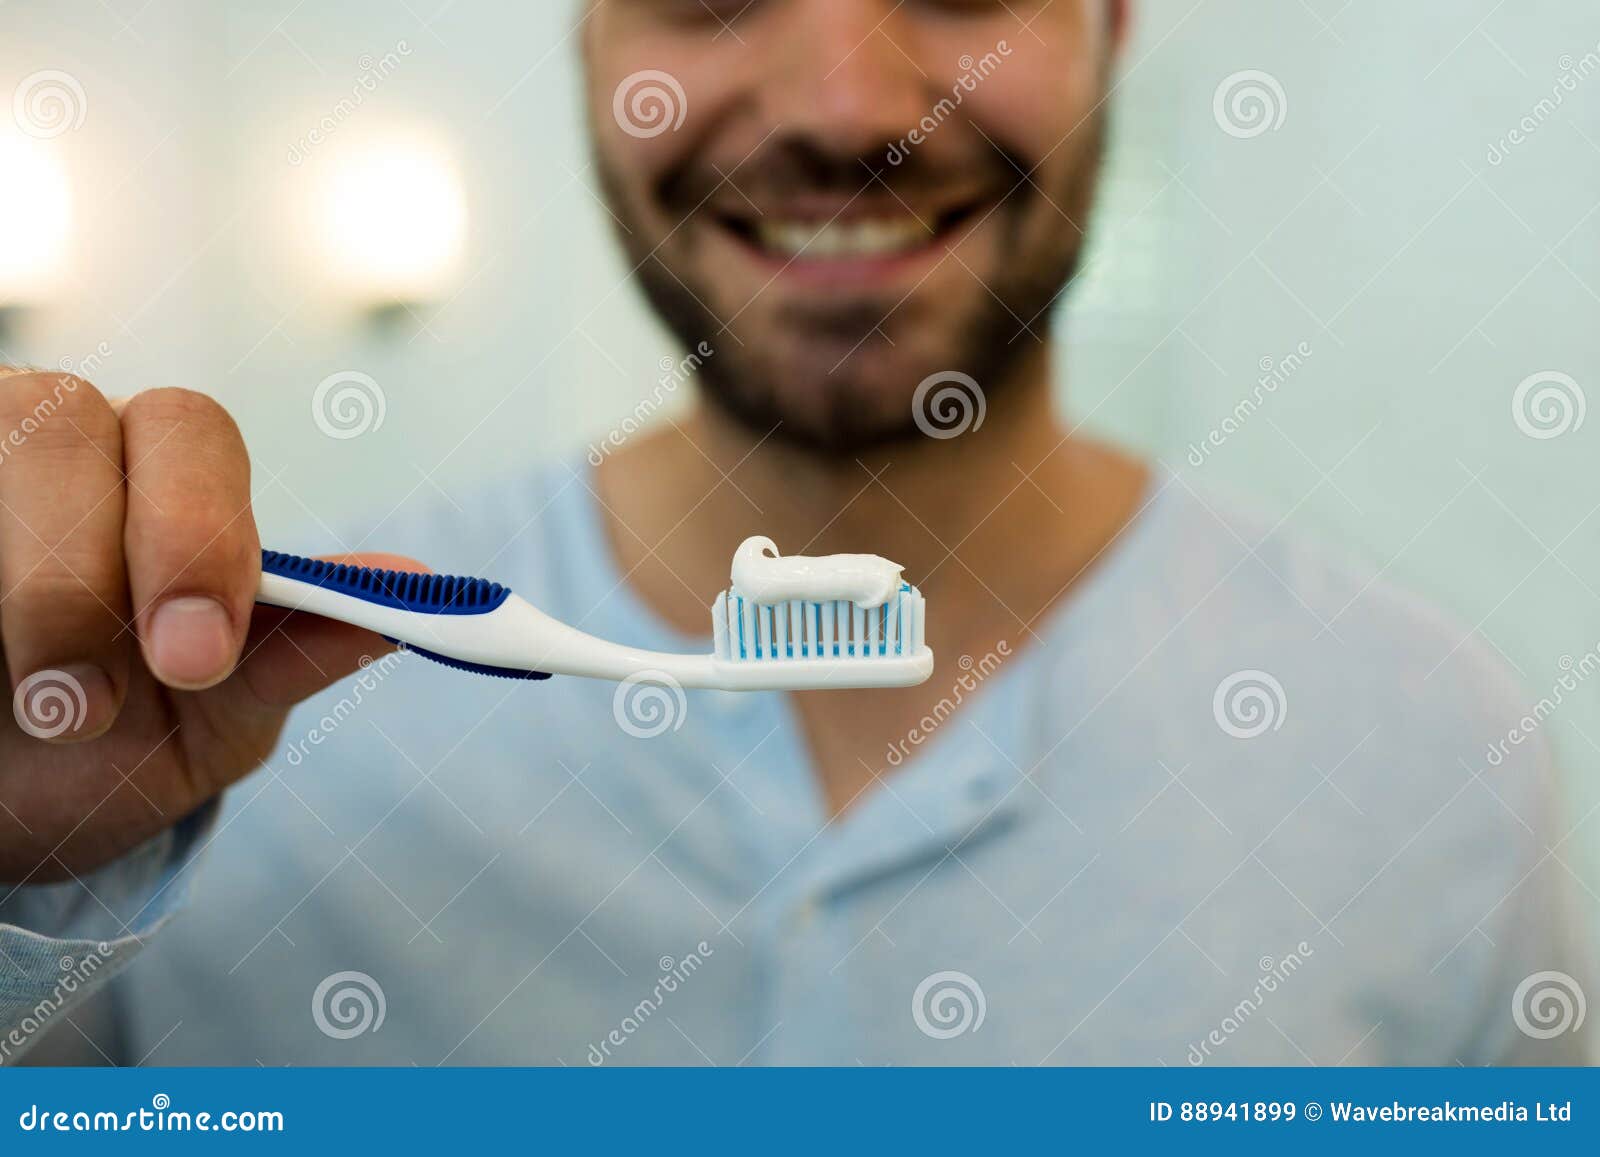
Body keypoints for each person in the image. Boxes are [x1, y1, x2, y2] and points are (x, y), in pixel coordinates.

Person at [0, 0, 1589, 1066]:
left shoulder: (1434, 756)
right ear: (584, 35)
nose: (849, 107)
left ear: (1113, 23)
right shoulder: (196, 720)